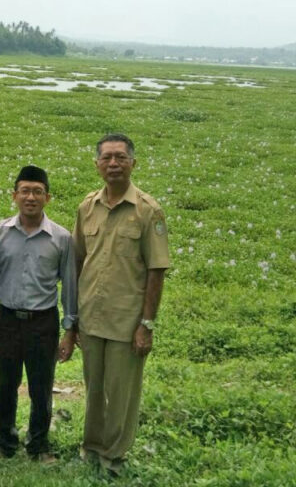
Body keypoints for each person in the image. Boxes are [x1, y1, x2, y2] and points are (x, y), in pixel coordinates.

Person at [73, 133, 171, 477]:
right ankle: (91, 448)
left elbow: (157, 270)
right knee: (94, 388)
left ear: (133, 163)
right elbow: (78, 260)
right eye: (107, 158)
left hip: (126, 321)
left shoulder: (148, 210)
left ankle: (114, 456)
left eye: (120, 158)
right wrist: (72, 319)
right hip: (91, 316)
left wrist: (147, 324)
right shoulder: (87, 206)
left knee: (122, 393)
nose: (113, 164)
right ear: (97, 164)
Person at [0, 165, 77, 464]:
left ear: (47, 197)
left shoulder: (61, 238)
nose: (31, 197)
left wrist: (69, 330)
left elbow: (69, 287)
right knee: (5, 385)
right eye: (25, 191)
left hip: (43, 323)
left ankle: (38, 445)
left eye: (37, 192)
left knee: (41, 386)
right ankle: (5, 442)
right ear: (14, 196)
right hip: (8, 320)